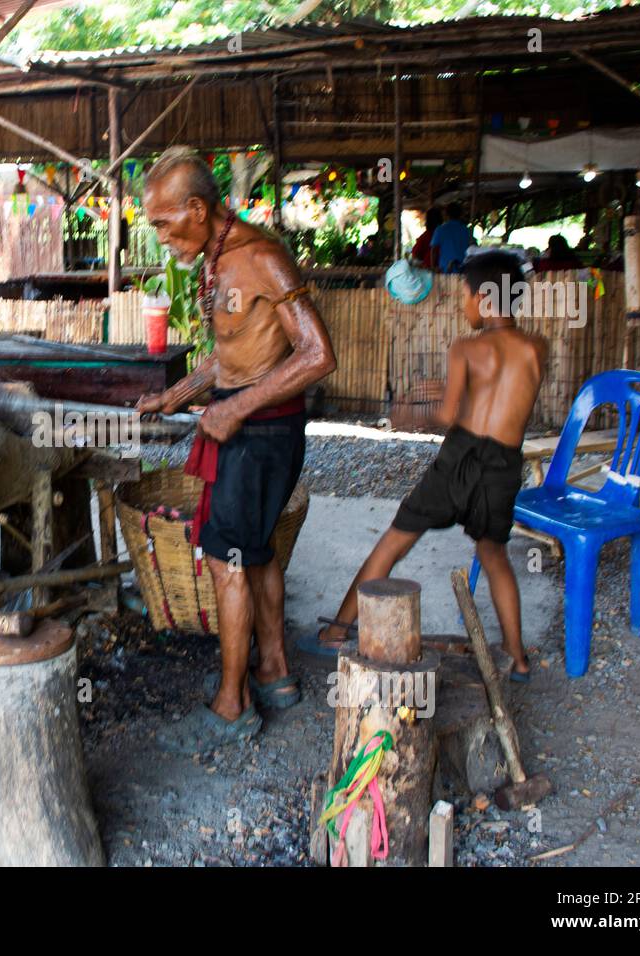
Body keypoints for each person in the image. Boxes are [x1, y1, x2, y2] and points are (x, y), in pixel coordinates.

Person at [137, 146, 336, 751]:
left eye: (164, 223)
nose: (161, 237)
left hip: (262, 437)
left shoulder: (260, 257)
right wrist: (179, 394)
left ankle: (232, 703)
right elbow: (235, 354)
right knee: (257, 553)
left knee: (226, 562)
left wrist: (234, 408)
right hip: (253, 430)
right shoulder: (218, 255)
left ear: (197, 209)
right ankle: (272, 672)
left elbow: (319, 355)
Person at [317, 250, 548, 680]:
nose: (463, 305)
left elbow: (446, 417)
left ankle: (335, 631)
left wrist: (415, 409)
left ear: (484, 299)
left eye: (465, 296)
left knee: (394, 541)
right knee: (494, 553)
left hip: (459, 458)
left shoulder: (466, 348)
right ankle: (517, 657)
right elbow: (505, 393)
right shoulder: (537, 348)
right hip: (502, 465)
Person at [430, 203, 475, 273]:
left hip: (445, 270)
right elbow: (471, 247)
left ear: (446, 214)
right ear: (460, 214)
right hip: (462, 269)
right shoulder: (465, 230)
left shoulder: (440, 229)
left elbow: (434, 251)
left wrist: (433, 267)